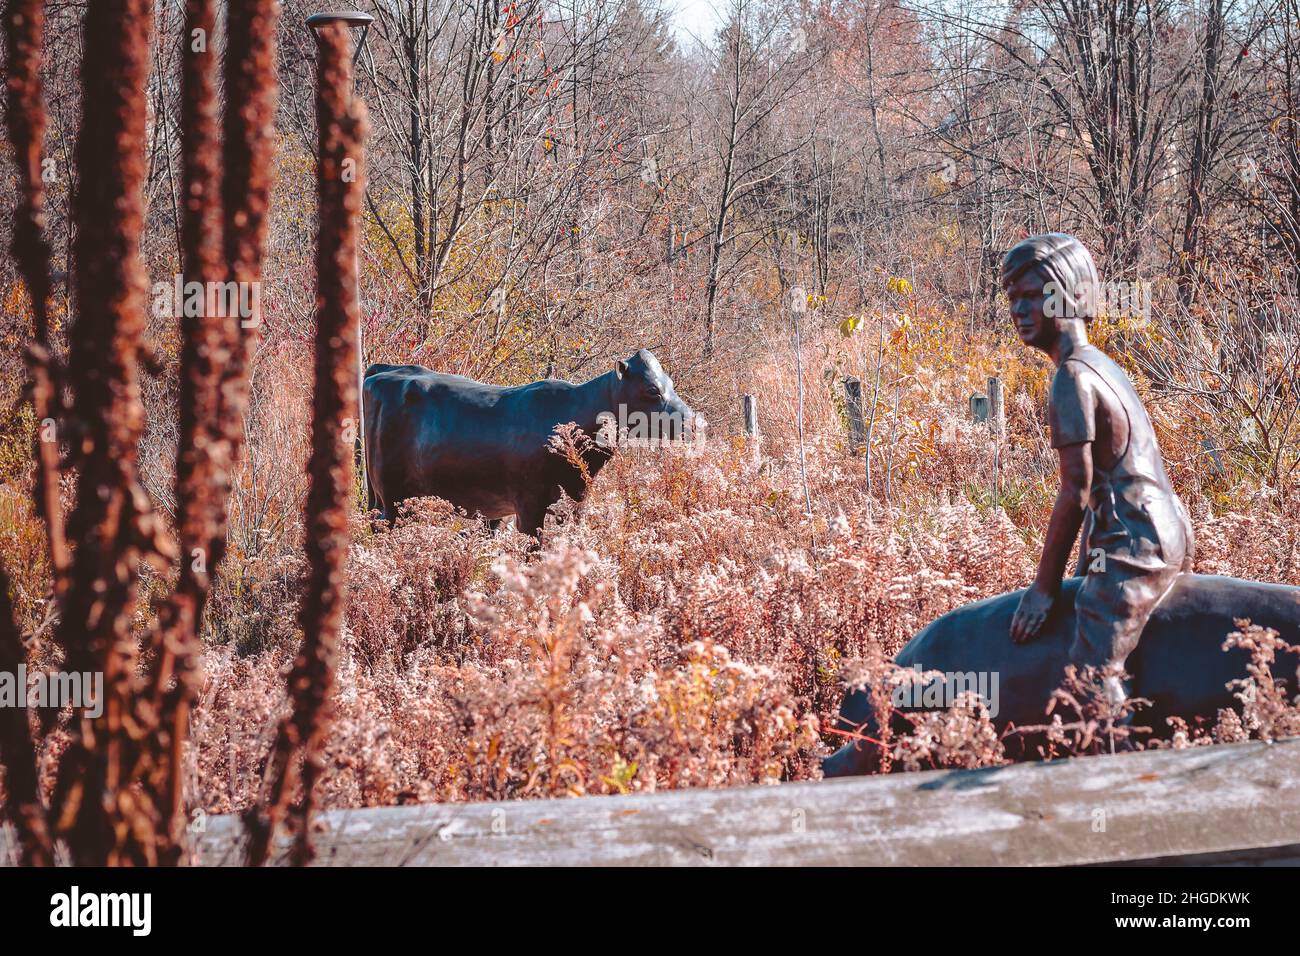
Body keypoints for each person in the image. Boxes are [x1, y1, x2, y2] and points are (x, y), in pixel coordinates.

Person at [1001, 233, 1194, 706]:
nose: (1018, 310)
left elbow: (1076, 490)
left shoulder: (1071, 377)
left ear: (1066, 295)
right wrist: (1088, 559)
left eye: (1030, 296)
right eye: (1012, 299)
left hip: (1135, 546)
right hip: (1163, 530)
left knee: (1089, 687)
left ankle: (1114, 766)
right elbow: (1102, 490)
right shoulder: (1103, 364)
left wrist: (1044, 588)